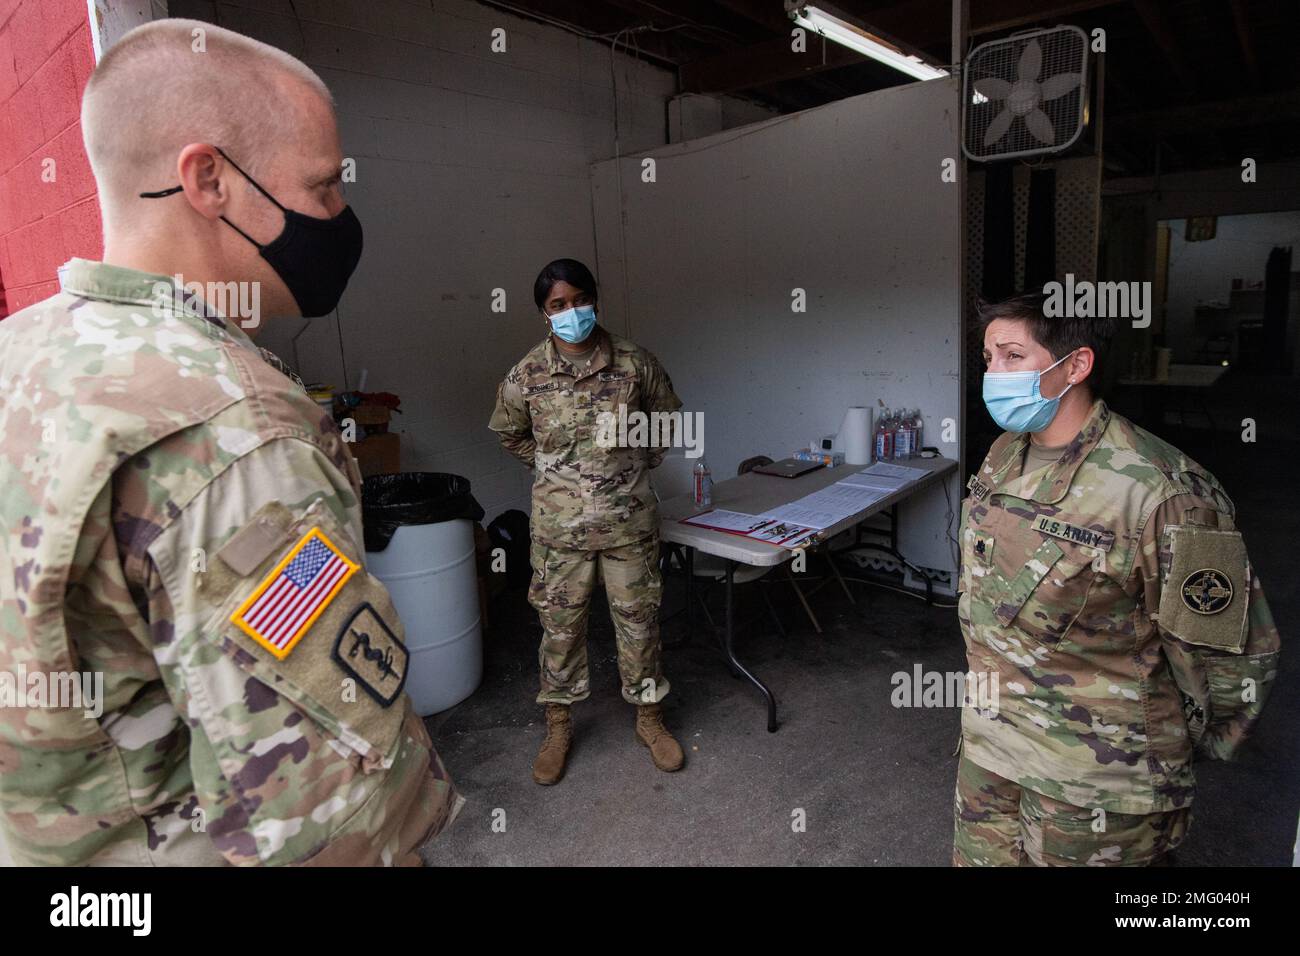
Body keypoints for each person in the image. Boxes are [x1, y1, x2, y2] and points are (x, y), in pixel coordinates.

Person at [0, 19, 461, 866]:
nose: (340, 216)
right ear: (208, 177)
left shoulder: (19, 354)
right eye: (324, 187)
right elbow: (327, 819)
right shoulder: (233, 434)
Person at [954, 293, 1280, 866]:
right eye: (988, 358)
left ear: (1076, 366)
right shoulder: (1005, 453)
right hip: (992, 747)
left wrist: (1169, 750)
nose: (993, 375)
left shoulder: (1163, 491)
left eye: (1011, 356)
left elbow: (1228, 660)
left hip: (1097, 781)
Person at [489, 258, 685, 784]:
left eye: (578, 300)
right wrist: (557, 474)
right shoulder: (526, 374)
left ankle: (650, 718)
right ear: (543, 313)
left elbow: (667, 422)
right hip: (560, 533)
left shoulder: (635, 363)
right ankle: (558, 725)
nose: (570, 312)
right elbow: (509, 434)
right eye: (558, 305)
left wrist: (629, 467)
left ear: (594, 299)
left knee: (640, 625)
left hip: (629, 526)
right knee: (559, 631)